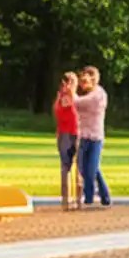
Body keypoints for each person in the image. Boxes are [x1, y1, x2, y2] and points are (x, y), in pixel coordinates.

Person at [73, 65, 111, 206]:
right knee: (85, 168)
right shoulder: (89, 95)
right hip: (83, 136)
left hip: (95, 137)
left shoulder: (98, 95)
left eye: (85, 81)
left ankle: (88, 199)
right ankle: (105, 196)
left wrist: (71, 90)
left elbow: (77, 103)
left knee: (91, 169)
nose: (82, 85)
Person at [53, 72, 80, 210]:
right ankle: (66, 200)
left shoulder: (74, 98)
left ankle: (77, 199)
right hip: (66, 134)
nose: (68, 85)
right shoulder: (64, 98)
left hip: (75, 133)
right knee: (66, 167)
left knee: (77, 168)